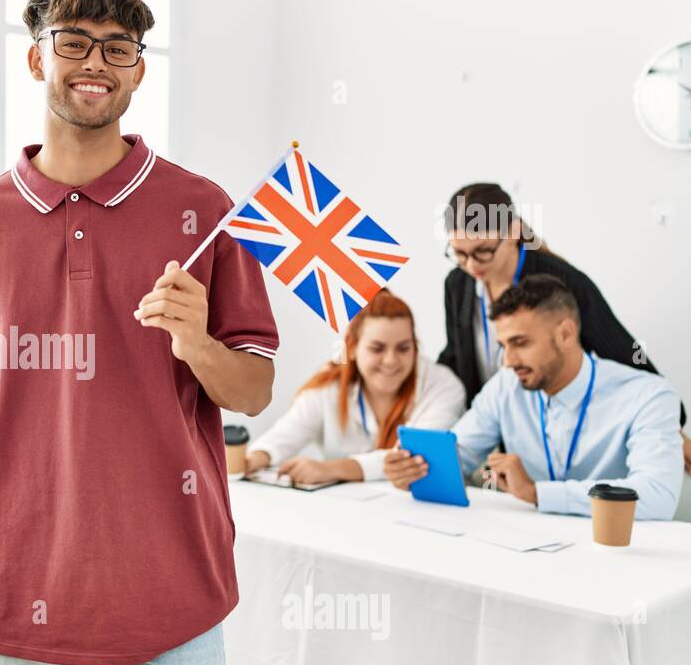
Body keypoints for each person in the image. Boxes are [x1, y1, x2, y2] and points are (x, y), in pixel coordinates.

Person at [0, 0, 279, 665]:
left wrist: (196, 341)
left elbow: (253, 391)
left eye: (118, 47)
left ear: (138, 68)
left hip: (175, 579)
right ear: (36, 59)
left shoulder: (203, 210)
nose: (97, 61)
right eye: (75, 42)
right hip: (30, 574)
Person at [436, 182, 689, 471]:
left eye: (482, 251)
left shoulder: (562, 284)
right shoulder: (458, 284)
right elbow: (457, 355)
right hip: (492, 428)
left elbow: (620, 349)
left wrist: (668, 423)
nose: (471, 265)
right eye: (459, 253)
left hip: (554, 435)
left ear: (513, 233)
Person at [385, 274, 683, 520]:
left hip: (614, 553)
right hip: (528, 550)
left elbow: (657, 497)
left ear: (565, 334)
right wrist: (411, 470)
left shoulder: (648, 395)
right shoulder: (506, 385)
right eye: (503, 345)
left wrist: (537, 492)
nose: (508, 360)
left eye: (521, 343)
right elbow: (455, 455)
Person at [244, 290, 465, 485]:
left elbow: (413, 459)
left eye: (403, 348)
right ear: (352, 348)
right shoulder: (328, 385)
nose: (391, 360)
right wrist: (254, 458)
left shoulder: (443, 386)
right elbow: (287, 433)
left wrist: (332, 469)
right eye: (377, 348)